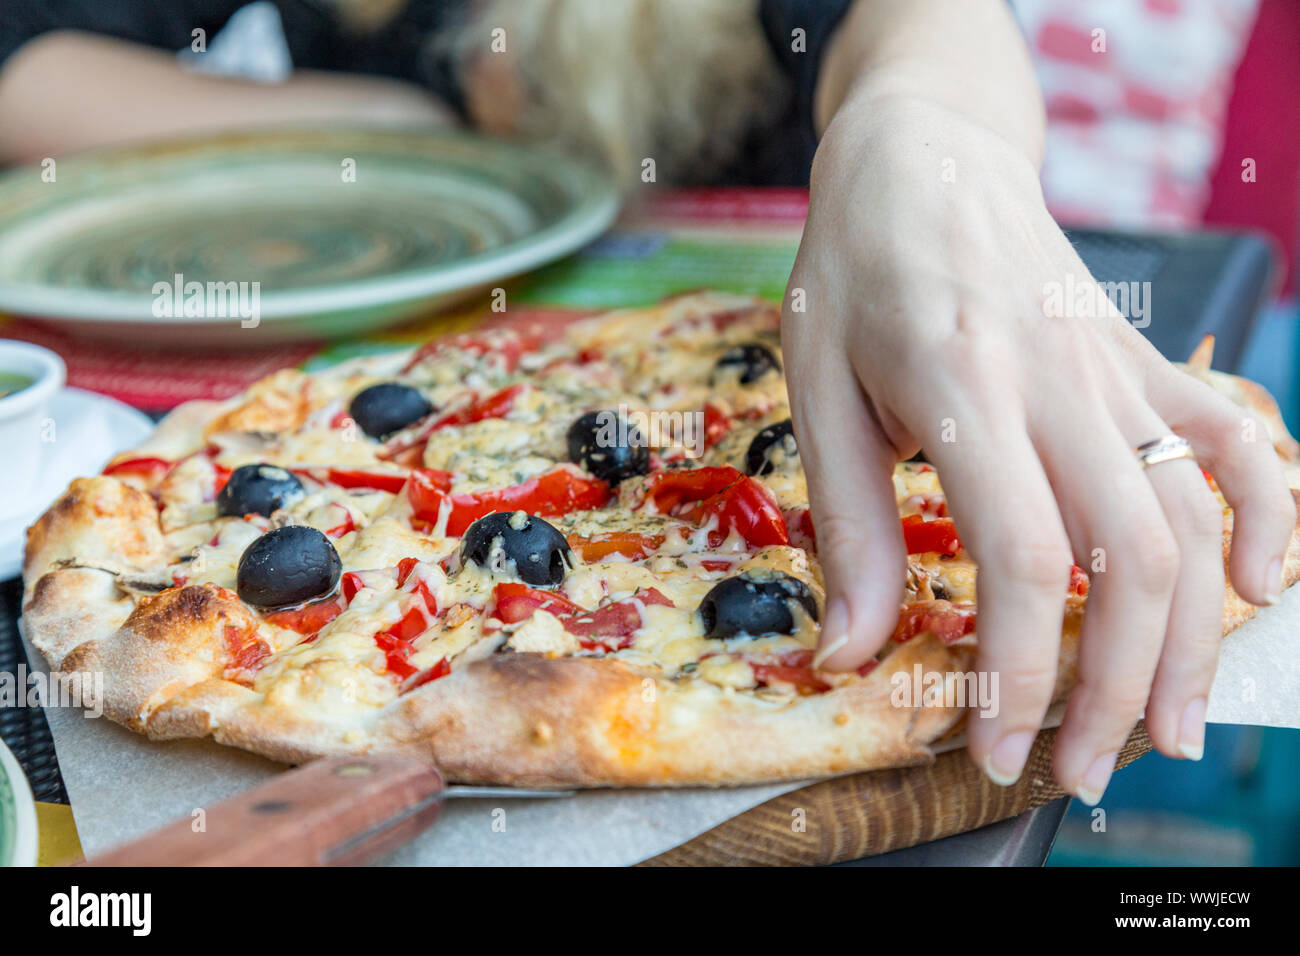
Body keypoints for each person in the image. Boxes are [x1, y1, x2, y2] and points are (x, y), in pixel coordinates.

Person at [1, 0, 1292, 806]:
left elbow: (920, 20)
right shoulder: (174, 559)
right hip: (452, 370)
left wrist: (916, 135)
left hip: (826, 331)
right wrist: (386, 125)